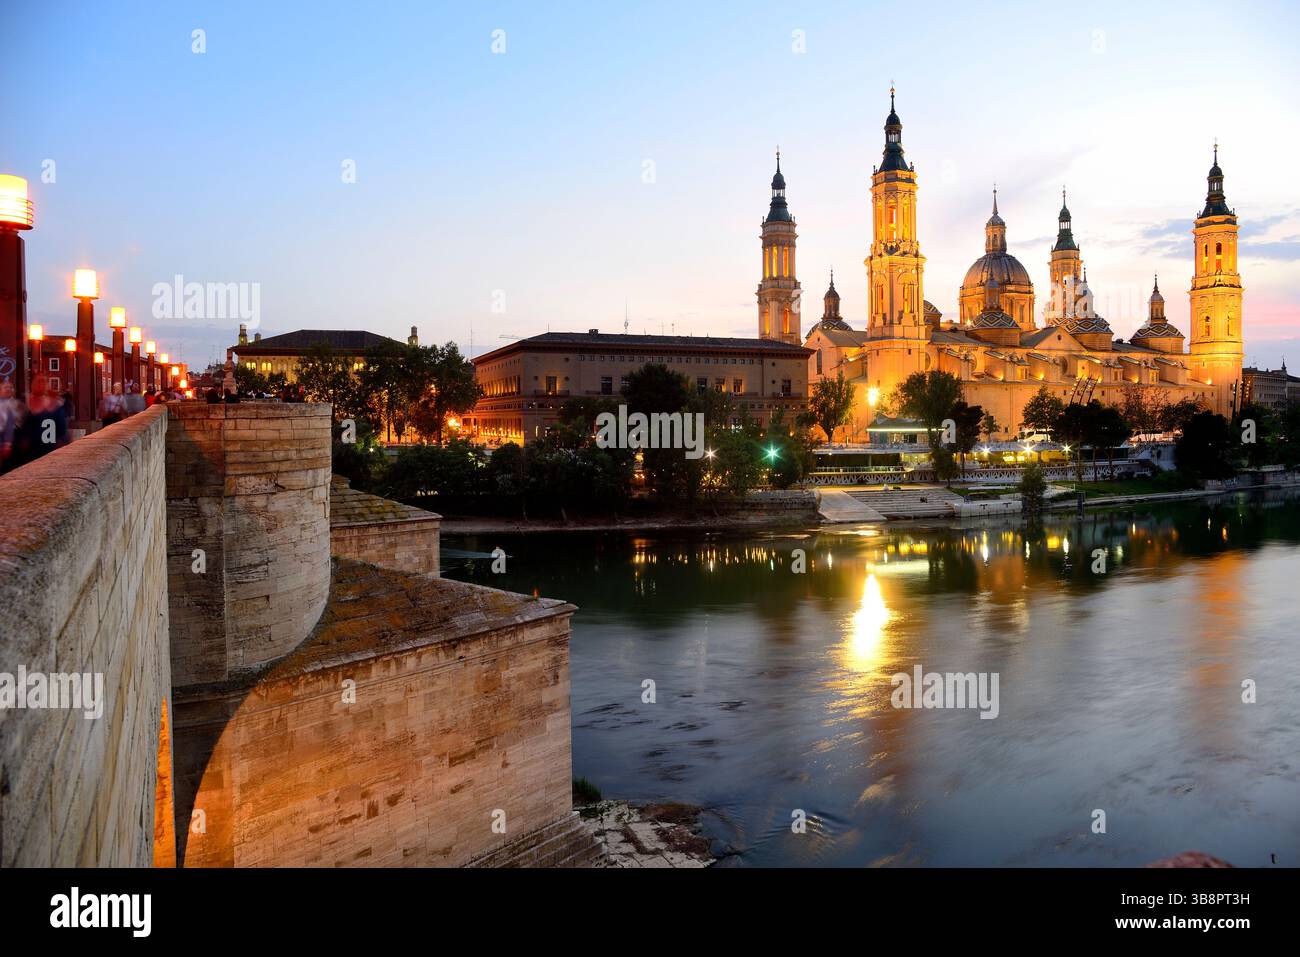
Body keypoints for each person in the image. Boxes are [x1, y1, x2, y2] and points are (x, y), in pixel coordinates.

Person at [17, 376, 68, 464]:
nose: (41, 384)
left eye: (44, 382)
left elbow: (62, 432)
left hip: (49, 453)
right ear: (32, 384)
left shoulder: (56, 406)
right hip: (27, 456)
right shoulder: (22, 405)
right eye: (39, 381)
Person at [0, 380, 26, 473]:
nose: (8, 389)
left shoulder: (20, 405)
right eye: (5, 387)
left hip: (16, 439)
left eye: (10, 387)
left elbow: (24, 422)